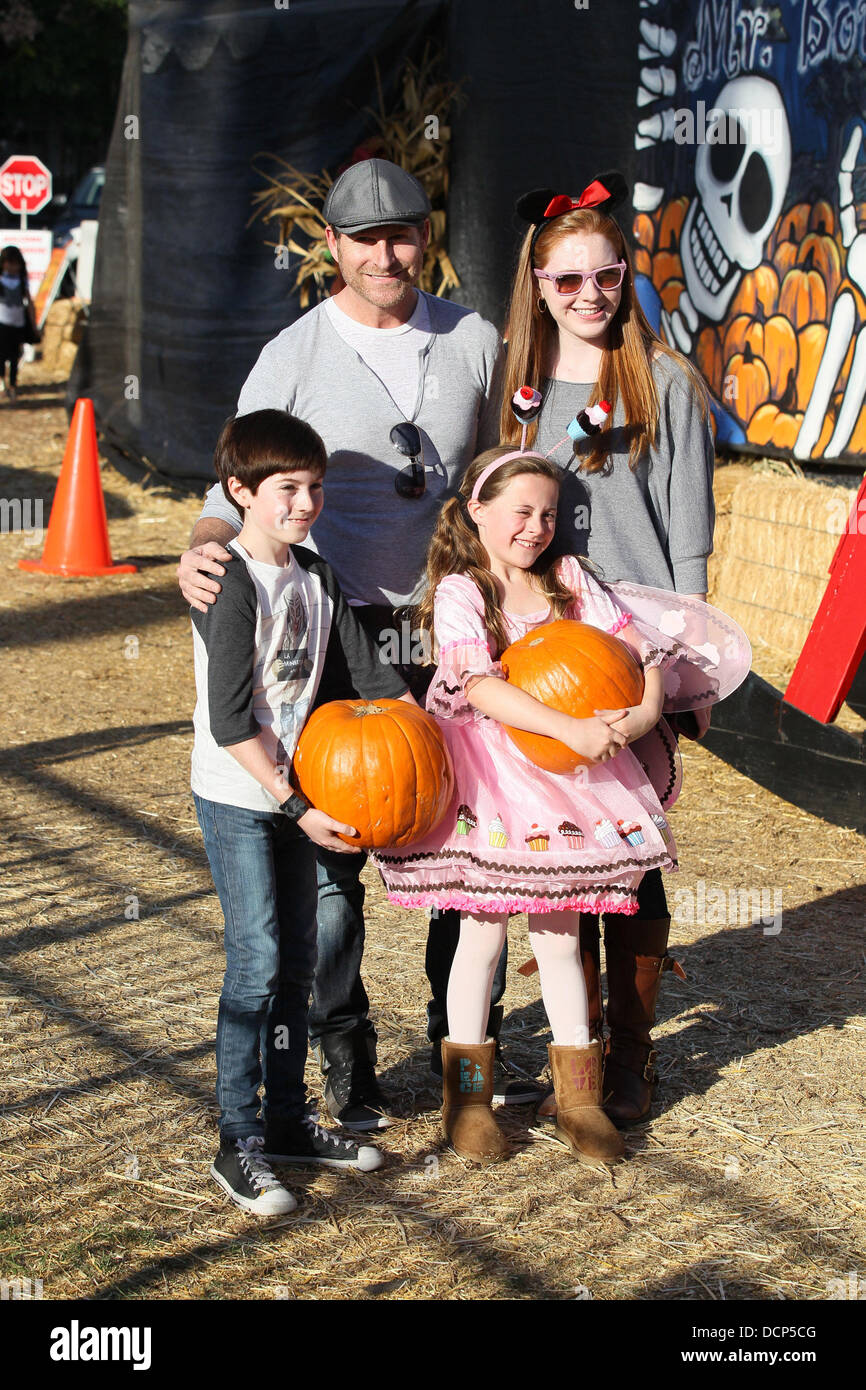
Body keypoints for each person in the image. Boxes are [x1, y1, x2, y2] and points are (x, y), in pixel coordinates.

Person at [176, 158, 518, 1130]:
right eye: (363, 237)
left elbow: (493, 470)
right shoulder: (292, 353)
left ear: (427, 233)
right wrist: (201, 549)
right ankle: (348, 1066)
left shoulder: (470, 338)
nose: (385, 252)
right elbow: (229, 481)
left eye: (403, 231)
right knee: (333, 869)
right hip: (335, 640)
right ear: (330, 246)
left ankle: (469, 1068)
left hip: (449, 632)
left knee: (469, 857)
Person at [372, 446, 736, 1166]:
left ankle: (579, 1098)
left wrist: (640, 715)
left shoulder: (569, 578)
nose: (536, 528)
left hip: (572, 779)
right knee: (481, 935)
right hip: (494, 777)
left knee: (562, 939)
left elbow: (639, 654)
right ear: (477, 511)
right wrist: (567, 725)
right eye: (520, 512)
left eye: (547, 514)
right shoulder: (461, 592)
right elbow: (477, 684)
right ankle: (468, 1099)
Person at [499, 172, 717, 1126]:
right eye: (568, 280)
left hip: (635, 651)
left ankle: (632, 1056)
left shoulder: (663, 382)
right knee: (556, 855)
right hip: (538, 655)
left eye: (608, 276)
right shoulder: (517, 390)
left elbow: (691, 538)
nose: (590, 296)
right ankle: (573, 1049)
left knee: (633, 858)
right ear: (538, 283)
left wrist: (685, 663)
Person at [192, 409, 411, 1214]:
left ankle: (288, 1121)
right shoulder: (229, 581)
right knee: (254, 962)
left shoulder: (314, 576)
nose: (306, 502)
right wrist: (294, 801)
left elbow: (372, 680)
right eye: (288, 488)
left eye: (316, 487)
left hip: (299, 797)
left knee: (293, 967)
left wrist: (442, 746)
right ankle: (237, 1138)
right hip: (241, 794)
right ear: (240, 491)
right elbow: (227, 719)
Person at [0, 246, 36, 404]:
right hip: (2, 322)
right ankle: (2, 383)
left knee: (15, 356)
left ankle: (13, 384)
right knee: (0, 355)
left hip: (18, 323)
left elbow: (29, 303)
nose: (13, 267)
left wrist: (33, 324)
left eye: (16, 264)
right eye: (10, 263)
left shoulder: (22, 281)